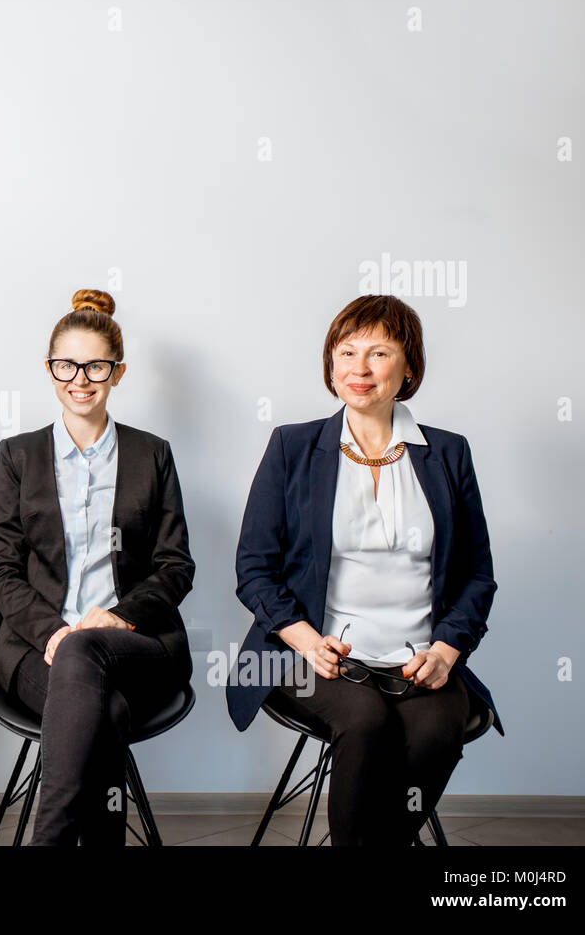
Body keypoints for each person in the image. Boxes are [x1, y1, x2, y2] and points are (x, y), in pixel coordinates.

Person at [227, 293, 502, 846]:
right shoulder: (293, 446)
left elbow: (477, 575)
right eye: (346, 352)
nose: (359, 368)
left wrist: (447, 650)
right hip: (307, 655)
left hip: (420, 661)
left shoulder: (448, 454)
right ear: (330, 364)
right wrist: (305, 641)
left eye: (378, 353)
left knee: (439, 731)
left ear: (409, 367)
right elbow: (254, 568)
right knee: (367, 723)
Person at [0, 290, 194, 846]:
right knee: (107, 711)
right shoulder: (18, 456)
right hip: (39, 647)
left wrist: (120, 618)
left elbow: (176, 566)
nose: (81, 378)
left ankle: (47, 840)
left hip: (135, 644)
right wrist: (54, 632)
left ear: (118, 373)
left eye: (96, 365)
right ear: (49, 370)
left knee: (88, 652)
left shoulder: (152, 454)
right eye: (66, 365)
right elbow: (1, 567)